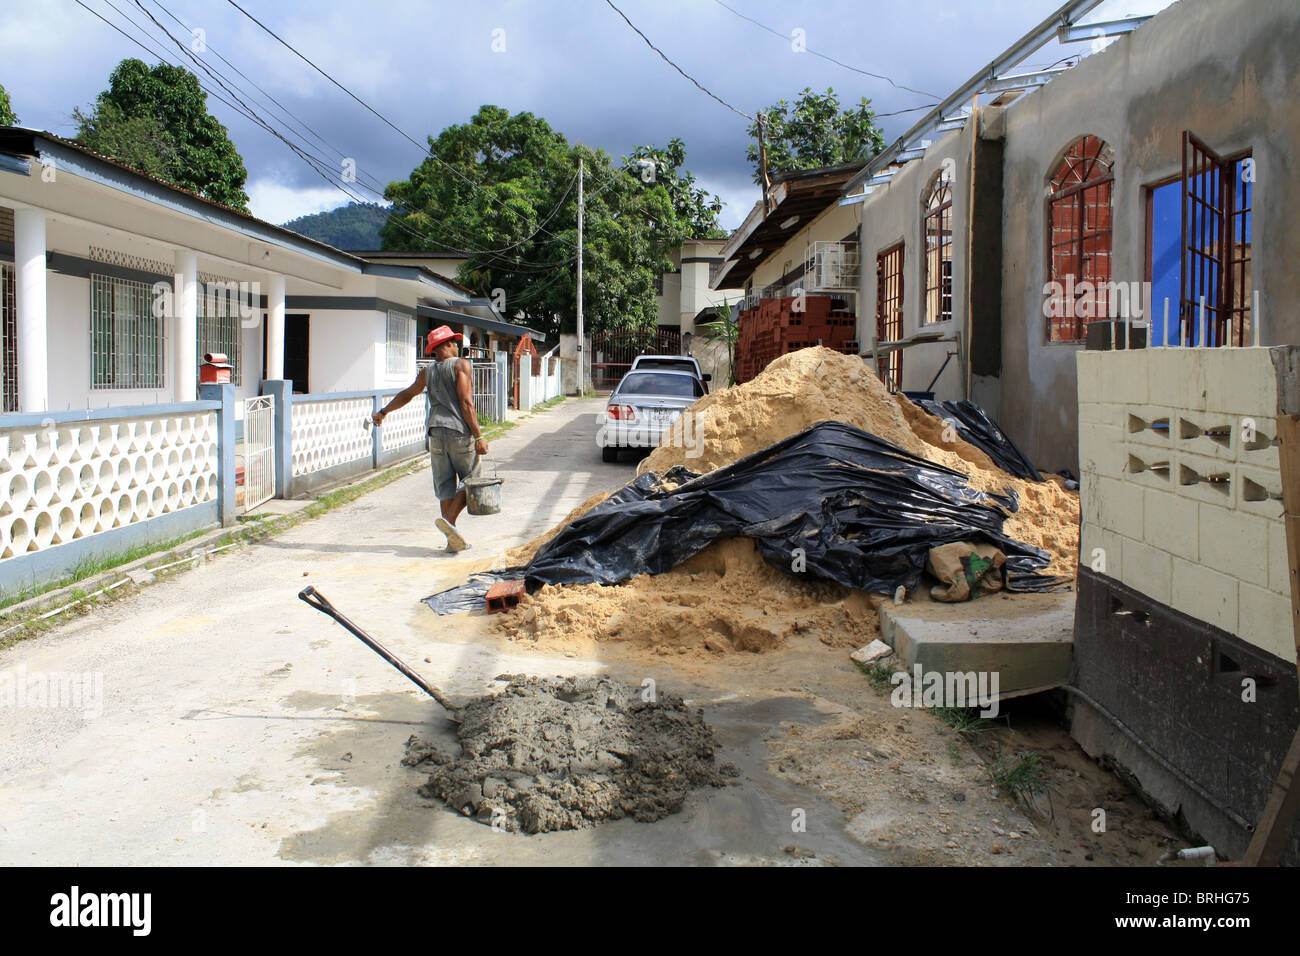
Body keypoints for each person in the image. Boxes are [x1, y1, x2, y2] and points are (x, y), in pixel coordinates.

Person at [373, 325, 488, 552]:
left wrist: (383, 412)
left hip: (435, 433)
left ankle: (451, 542)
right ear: (445, 345)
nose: (456, 346)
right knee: (473, 481)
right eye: (453, 343)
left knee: (445, 486)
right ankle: (449, 523)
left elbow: (407, 394)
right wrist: (479, 435)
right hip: (458, 432)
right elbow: (466, 403)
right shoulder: (461, 365)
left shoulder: (428, 372)